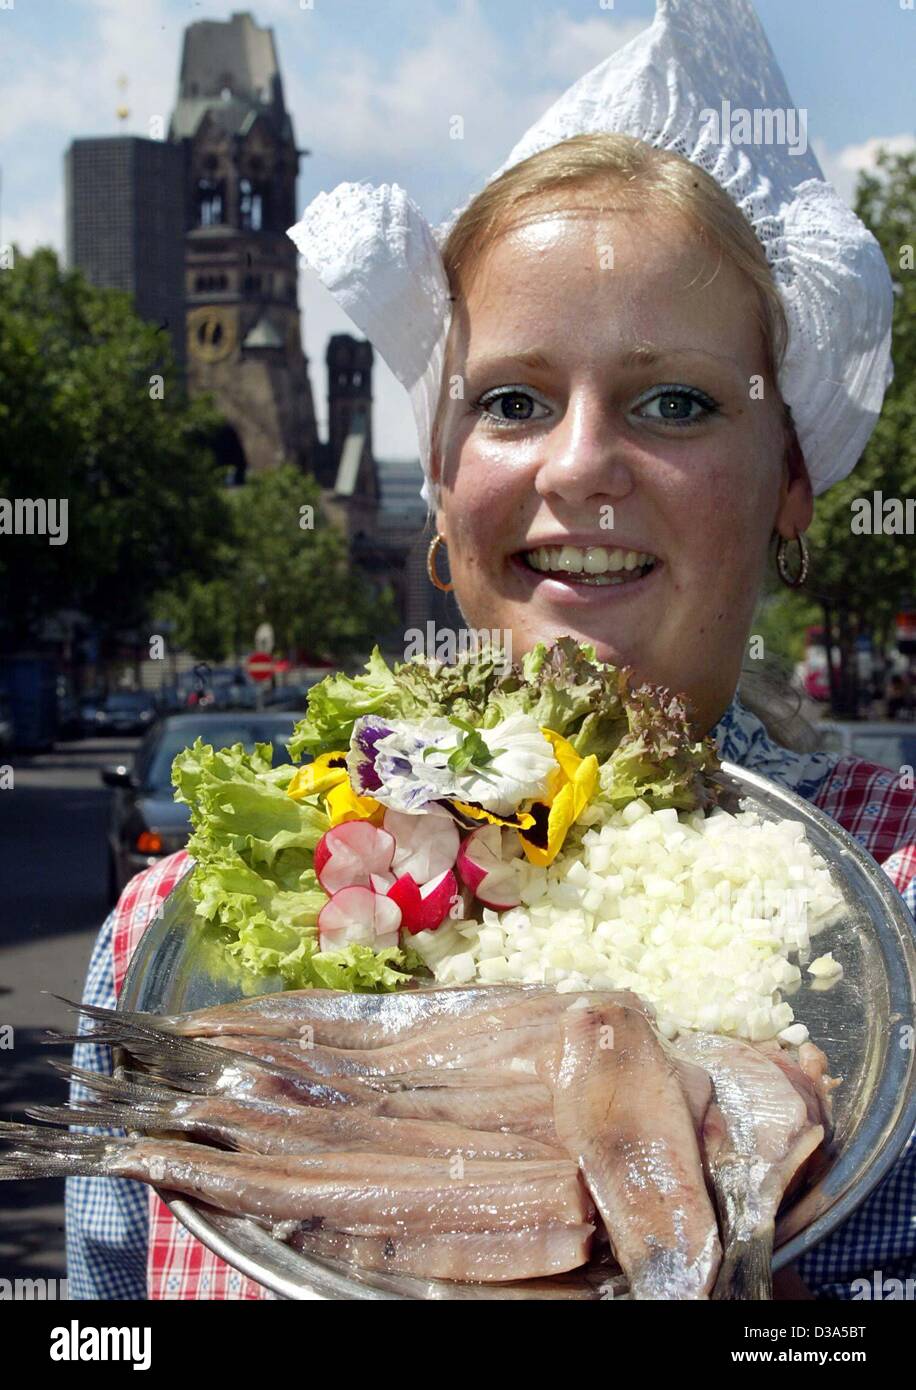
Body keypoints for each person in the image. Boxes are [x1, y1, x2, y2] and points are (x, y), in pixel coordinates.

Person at [66, 0, 915, 1300]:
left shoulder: (896, 919)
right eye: (513, 400)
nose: (580, 463)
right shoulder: (161, 942)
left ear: (789, 482)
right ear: (446, 495)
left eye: (675, 400)